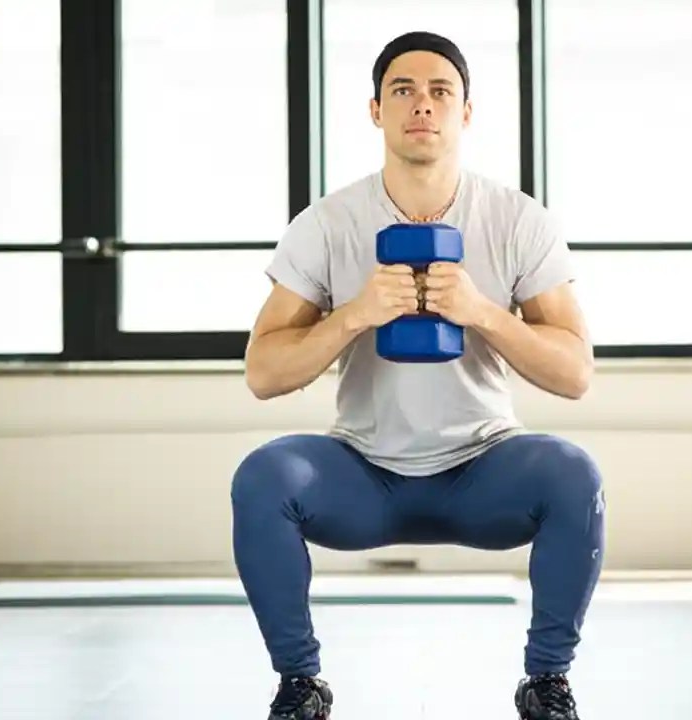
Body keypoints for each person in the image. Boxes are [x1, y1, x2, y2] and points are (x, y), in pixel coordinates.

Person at [232, 30, 604, 720]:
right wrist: (353, 316)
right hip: (363, 473)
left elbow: (575, 373)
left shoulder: (517, 220)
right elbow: (263, 372)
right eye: (403, 90)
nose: (422, 105)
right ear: (376, 110)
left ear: (466, 112)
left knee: (573, 473)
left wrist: (485, 313)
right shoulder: (328, 223)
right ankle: (300, 681)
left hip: (484, 470)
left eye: (441, 91)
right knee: (263, 477)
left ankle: (547, 682)